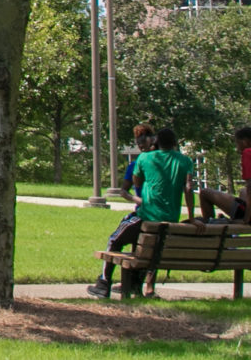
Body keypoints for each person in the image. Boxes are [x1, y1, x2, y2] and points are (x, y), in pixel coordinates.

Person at [88, 124, 197, 298]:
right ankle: (139, 286)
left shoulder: (144, 160)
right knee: (152, 249)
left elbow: (137, 183)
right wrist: (191, 216)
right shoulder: (185, 161)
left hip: (147, 216)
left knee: (114, 240)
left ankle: (103, 283)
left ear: (156, 141)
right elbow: (189, 188)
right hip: (170, 219)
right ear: (175, 143)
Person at [198, 126, 251, 223]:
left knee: (204, 193)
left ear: (245, 142)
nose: (237, 148)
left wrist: (246, 219)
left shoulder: (248, 152)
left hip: (249, 216)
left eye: (237, 143)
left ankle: (210, 230)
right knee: (243, 191)